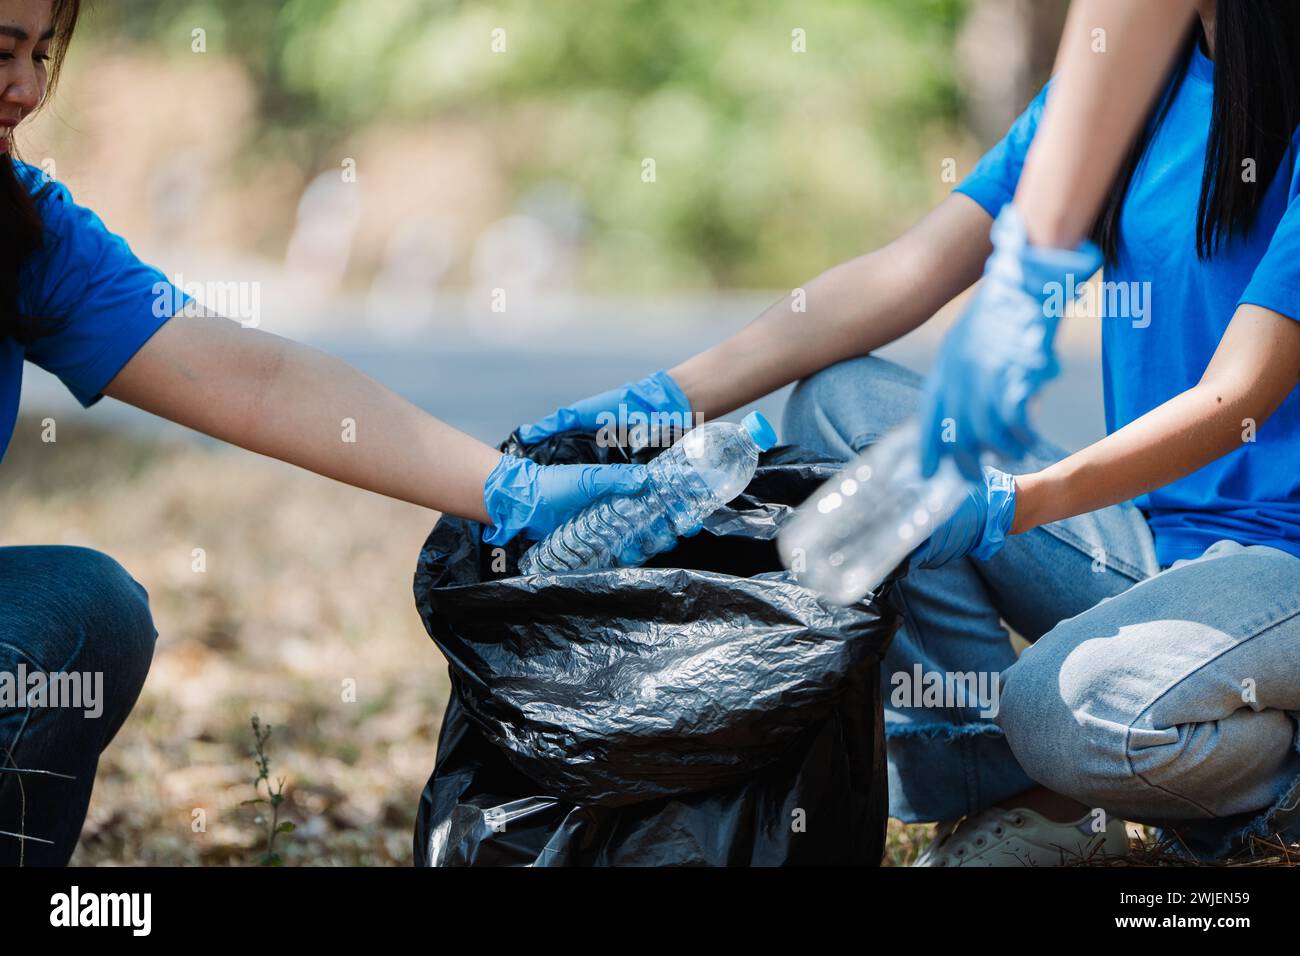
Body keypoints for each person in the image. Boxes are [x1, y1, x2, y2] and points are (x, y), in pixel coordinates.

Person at [524, 0, 1300, 866]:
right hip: (1150, 547)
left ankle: (1264, 781)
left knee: (1061, 706)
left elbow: (1243, 394)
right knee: (843, 405)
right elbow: (914, 267)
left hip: (1280, 574)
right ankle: (1031, 803)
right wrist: (668, 399)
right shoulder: (1126, 83)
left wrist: (1014, 502)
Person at [0, 0, 645, 864]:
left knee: (84, 614)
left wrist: (509, 489)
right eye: (4, 51)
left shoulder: (25, 232)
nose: (29, 88)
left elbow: (256, 379)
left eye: (42, 54)